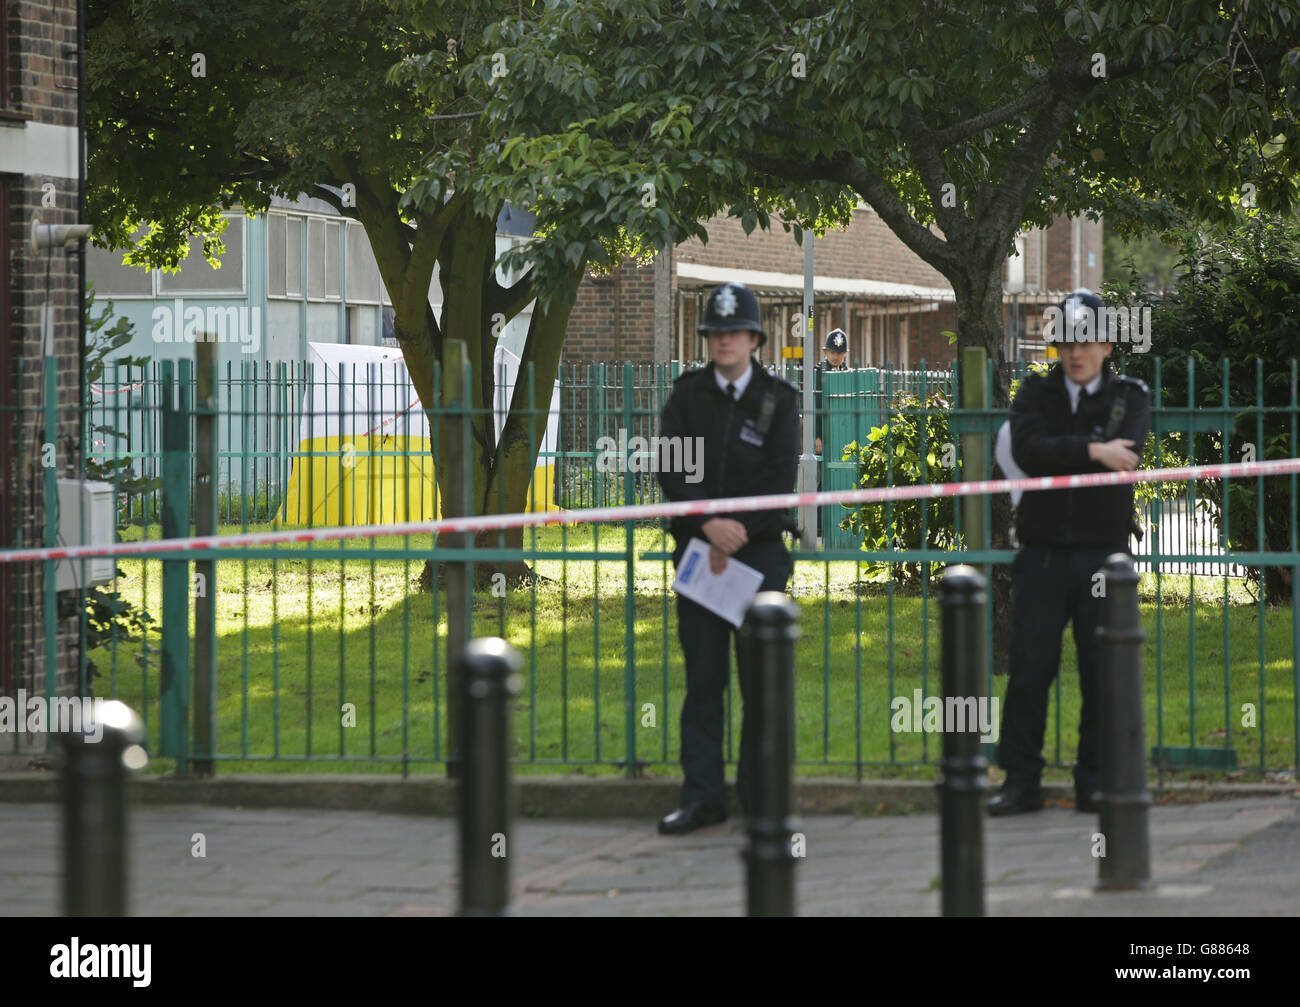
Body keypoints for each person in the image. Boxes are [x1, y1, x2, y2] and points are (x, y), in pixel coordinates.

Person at [989, 289, 1151, 816]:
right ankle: (1021, 782)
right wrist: (1092, 450)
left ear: (1106, 344)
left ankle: (1096, 781)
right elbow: (1027, 452)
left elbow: (1124, 457)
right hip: (1043, 554)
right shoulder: (1035, 394)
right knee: (1030, 667)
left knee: (1101, 671)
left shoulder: (1129, 397)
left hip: (1103, 556)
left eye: (1085, 341)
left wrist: (1082, 454)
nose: (1074, 353)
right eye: (1064, 342)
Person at [656, 282, 801, 835]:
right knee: (703, 682)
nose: (725, 341)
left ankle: (762, 799)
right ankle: (702, 799)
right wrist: (707, 526)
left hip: (759, 555)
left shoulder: (779, 399)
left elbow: (778, 479)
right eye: (716, 333)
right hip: (699, 553)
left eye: (735, 331)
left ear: (754, 338)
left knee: (761, 686)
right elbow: (672, 470)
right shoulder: (687, 395)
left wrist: (736, 531)